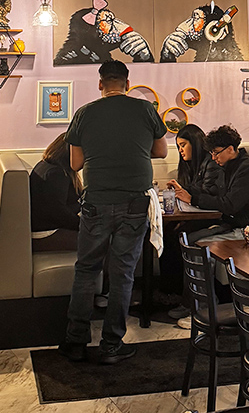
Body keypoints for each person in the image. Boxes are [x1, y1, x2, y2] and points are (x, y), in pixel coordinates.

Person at [60, 59, 168, 365]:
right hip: (134, 202)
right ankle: (110, 346)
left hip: (95, 201)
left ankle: (75, 342)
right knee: (122, 274)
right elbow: (161, 151)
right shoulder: (145, 109)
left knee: (86, 271)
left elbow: (75, 164)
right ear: (127, 83)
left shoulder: (84, 113)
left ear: (100, 84)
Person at [173, 123, 249, 242]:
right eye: (211, 153)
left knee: (192, 240)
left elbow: (229, 205)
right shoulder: (227, 165)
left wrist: (192, 199)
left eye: (216, 152)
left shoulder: (247, 169)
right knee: (184, 234)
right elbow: (215, 192)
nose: (213, 157)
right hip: (233, 222)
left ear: (230, 149)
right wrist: (185, 190)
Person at [157, 124, 222, 299]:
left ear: (195, 143)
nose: (180, 150)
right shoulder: (194, 165)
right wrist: (181, 190)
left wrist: (184, 192)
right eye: (178, 146)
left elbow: (207, 192)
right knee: (168, 232)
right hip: (201, 214)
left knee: (178, 235)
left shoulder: (211, 162)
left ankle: (177, 294)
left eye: (183, 145)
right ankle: (170, 291)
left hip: (217, 218)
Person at [30, 133, 81, 252]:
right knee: (104, 241)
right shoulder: (56, 174)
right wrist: (84, 225)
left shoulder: (45, 166)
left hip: (43, 228)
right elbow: (59, 212)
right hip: (47, 233)